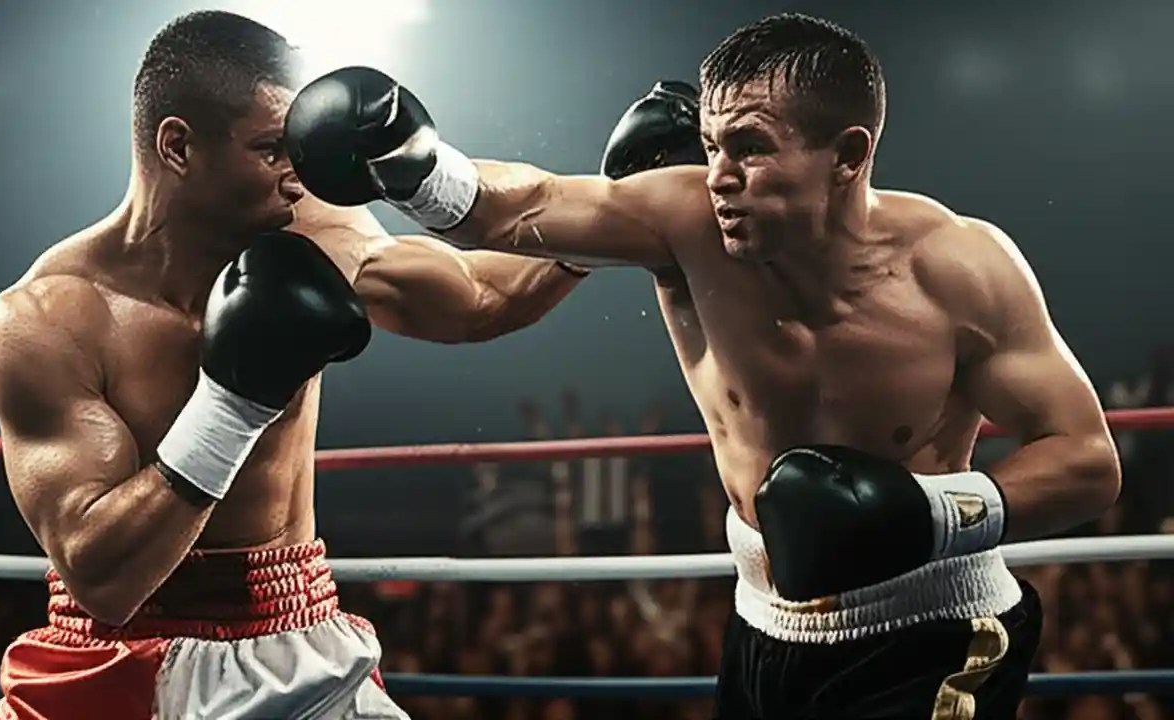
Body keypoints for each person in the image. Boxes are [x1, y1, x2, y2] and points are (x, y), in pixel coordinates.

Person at [284, 13, 1122, 719]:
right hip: (763, 626)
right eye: (712, 144)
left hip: (934, 631)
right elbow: (522, 207)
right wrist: (410, 161)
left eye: (751, 149)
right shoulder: (683, 221)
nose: (718, 176)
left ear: (849, 154)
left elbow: (1089, 461)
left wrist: (925, 516)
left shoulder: (961, 269)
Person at [0, 11, 586, 720]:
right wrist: (231, 406)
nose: (298, 174)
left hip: (300, 640)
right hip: (117, 659)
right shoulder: (47, 320)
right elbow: (103, 580)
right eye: (271, 149)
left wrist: (604, 222)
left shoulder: (315, 232)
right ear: (177, 146)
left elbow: (480, 297)